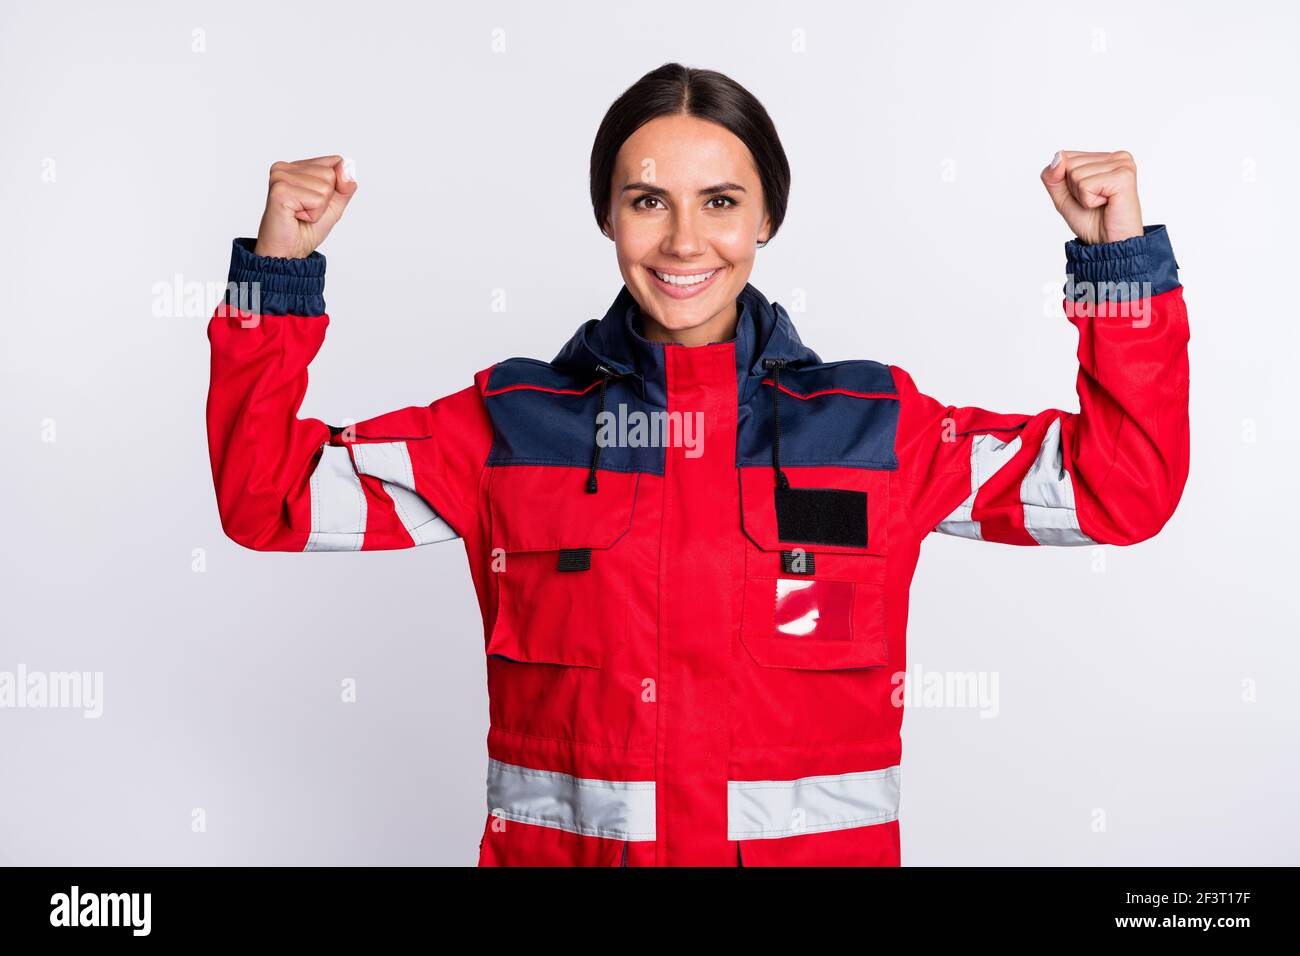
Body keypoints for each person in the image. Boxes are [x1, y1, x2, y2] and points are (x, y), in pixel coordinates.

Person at [205, 62, 1189, 866]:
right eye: (646, 200)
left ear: (766, 218)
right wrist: (276, 276)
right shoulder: (509, 427)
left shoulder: (873, 428)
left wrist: (1117, 266)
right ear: (607, 216)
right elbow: (268, 498)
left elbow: (1119, 490)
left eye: (720, 200)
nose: (683, 240)